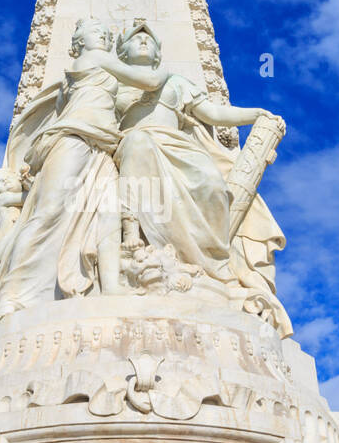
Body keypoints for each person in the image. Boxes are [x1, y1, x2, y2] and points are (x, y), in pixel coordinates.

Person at [0, 19, 166, 366]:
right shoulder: (96, 59)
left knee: (107, 213)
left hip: (99, 146)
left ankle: (110, 285)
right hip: (74, 140)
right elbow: (150, 80)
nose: (102, 35)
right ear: (77, 44)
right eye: (93, 33)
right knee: (48, 213)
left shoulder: (79, 77)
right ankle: (11, 296)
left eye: (103, 34)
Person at [113, 20, 292, 336]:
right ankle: (136, 237)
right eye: (135, 40)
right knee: (138, 144)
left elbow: (213, 113)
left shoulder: (174, 82)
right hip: (137, 143)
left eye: (149, 41)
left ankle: (207, 261)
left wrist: (255, 115)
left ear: (158, 53)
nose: (143, 43)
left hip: (178, 146)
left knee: (210, 182)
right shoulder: (114, 85)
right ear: (122, 51)